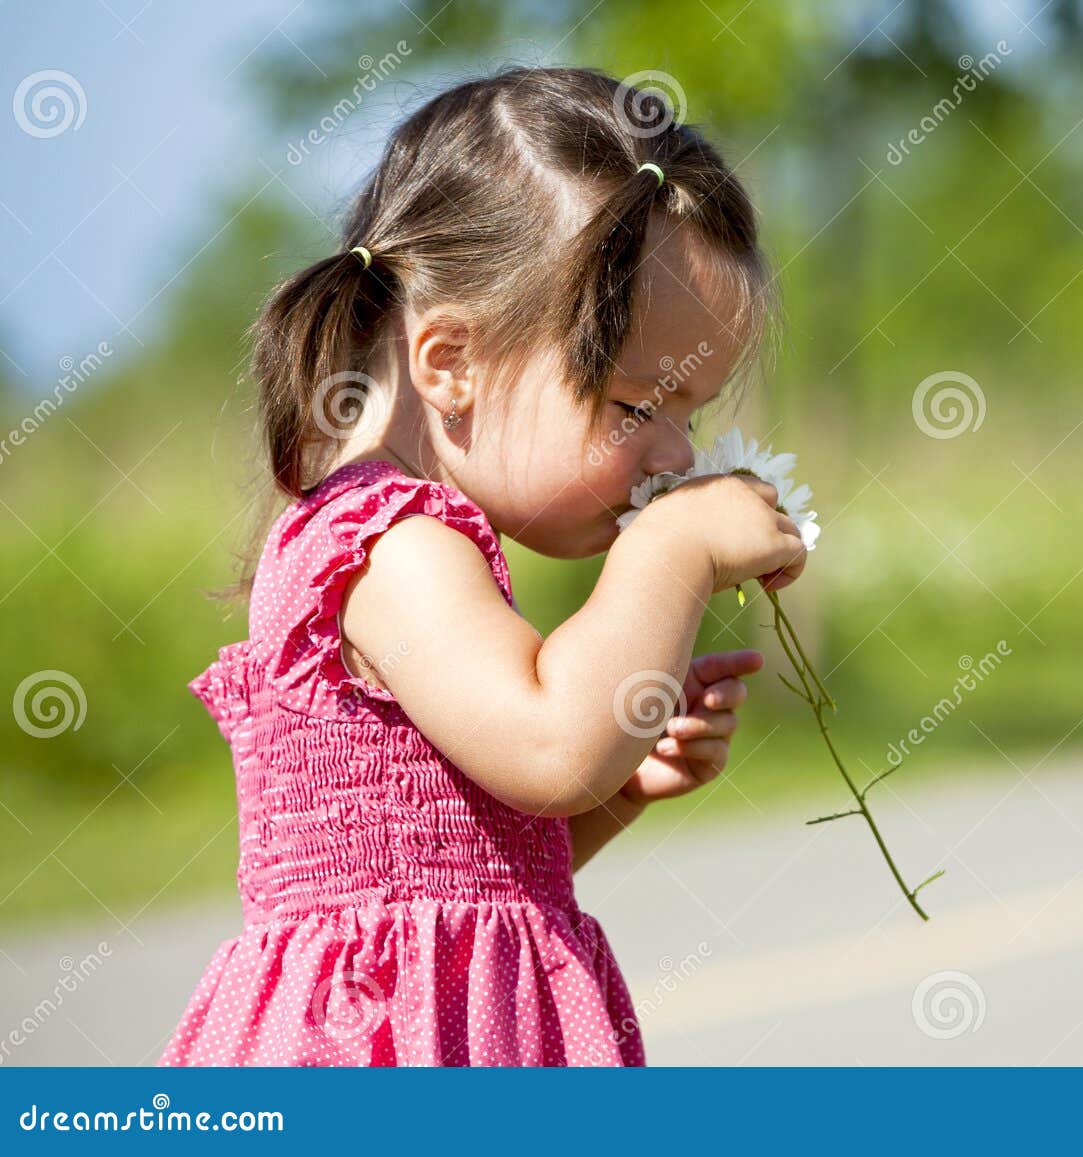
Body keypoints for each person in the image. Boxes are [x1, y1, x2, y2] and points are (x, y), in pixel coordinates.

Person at [159, 66, 807, 1067]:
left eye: (692, 413)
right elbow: (551, 746)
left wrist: (615, 788)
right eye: (638, 405)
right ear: (450, 360)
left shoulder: (401, 537)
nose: (678, 455)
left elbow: (461, 873)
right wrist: (674, 547)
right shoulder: (387, 545)